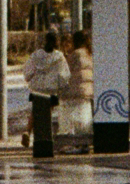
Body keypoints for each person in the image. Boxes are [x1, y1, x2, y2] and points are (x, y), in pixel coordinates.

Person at [23, 25, 68, 156]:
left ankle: (28, 131)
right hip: (51, 91)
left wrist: (31, 80)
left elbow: (28, 73)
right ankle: (47, 137)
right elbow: (64, 75)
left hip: (37, 90)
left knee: (35, 111)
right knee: (48, 111)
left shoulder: (36, 55)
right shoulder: (59, 56)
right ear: (57, 42)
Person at [62, 30, 95, 140]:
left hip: (75, 91)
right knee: (84, 118)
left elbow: (64, 70)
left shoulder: (75, 54)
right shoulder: (89, 53)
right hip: (88, 91)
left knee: (73, 118)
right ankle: (84, 141)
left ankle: (75, 141)